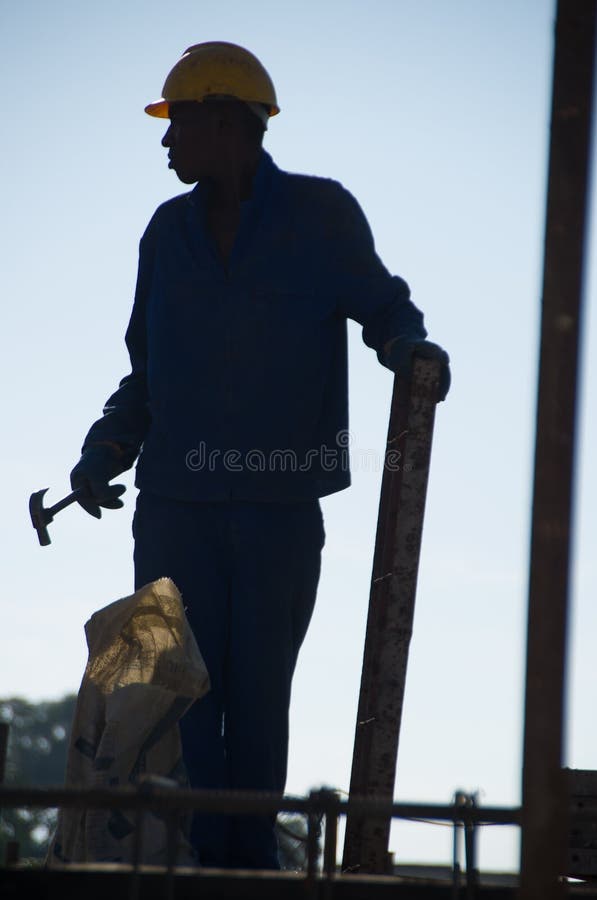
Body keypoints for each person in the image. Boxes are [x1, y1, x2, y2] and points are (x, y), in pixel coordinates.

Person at [69, 41, 450, 870]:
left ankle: (246, 870)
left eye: (177, 124)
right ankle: (214, 867)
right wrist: (104, 447)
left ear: (224, 121)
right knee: (188, 699)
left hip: (277, 510)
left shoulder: (320, 217)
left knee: (259, 697)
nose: (165, 142)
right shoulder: (166, 235)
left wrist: (410, 352)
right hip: (175, 509)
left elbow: (384, 306)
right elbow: (147, 372)